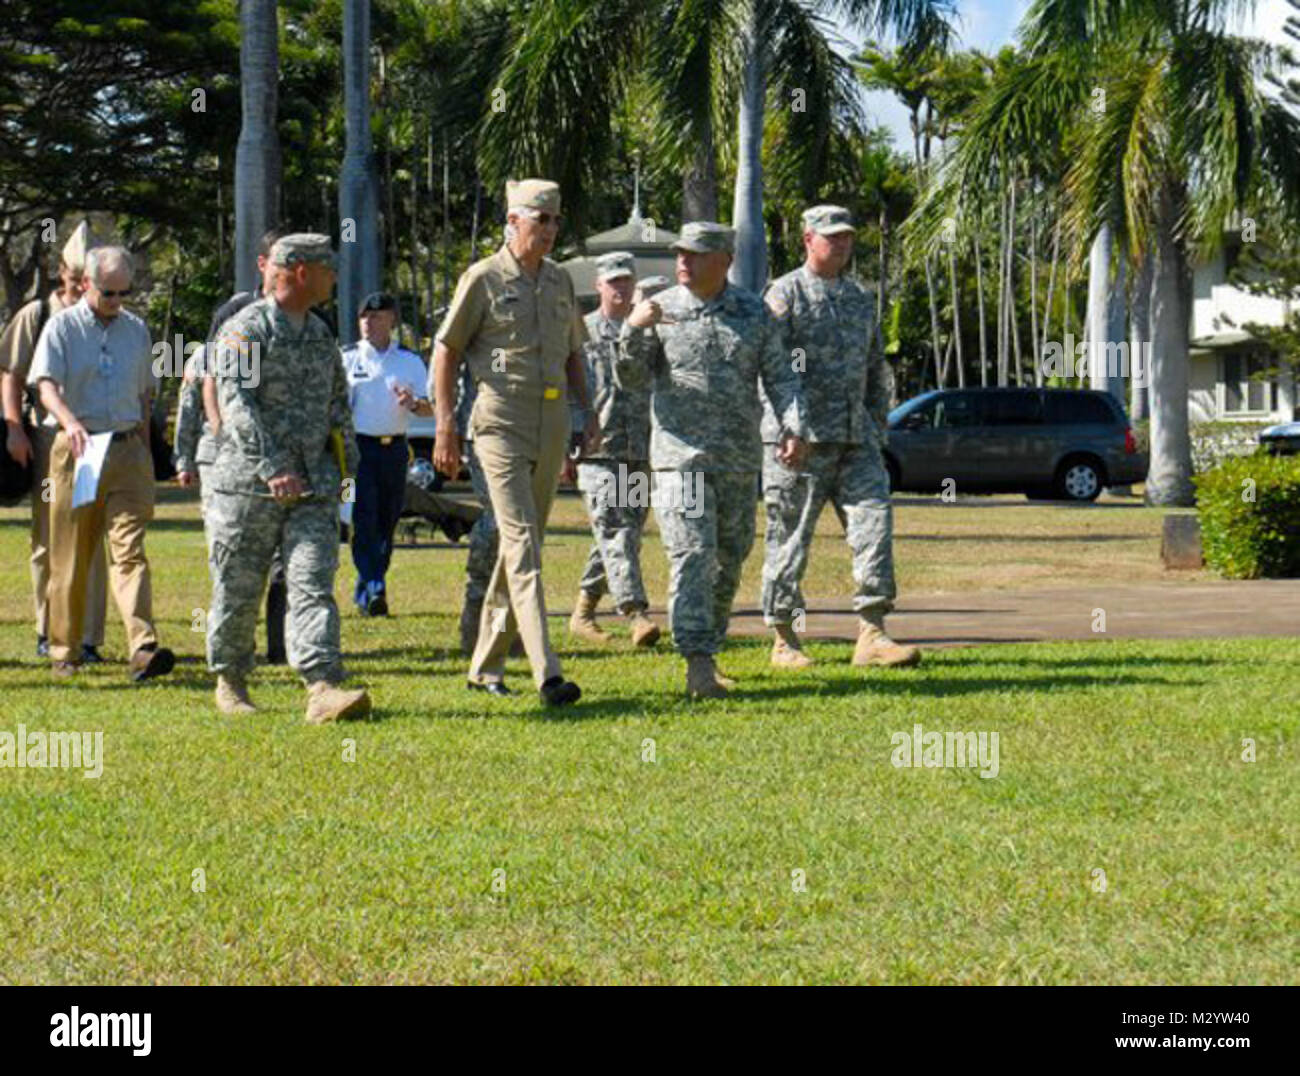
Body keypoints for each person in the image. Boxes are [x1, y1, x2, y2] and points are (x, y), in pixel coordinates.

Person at [617, 222, 807, 698]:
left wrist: (794, 424)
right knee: (693, 554)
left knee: (730, 555)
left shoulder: (753, 312)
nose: (684, 261)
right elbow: (631, 380)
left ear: (723, 259)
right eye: (680, 253)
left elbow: (780, 377)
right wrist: (633, 331)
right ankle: (696, 661)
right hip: (680, 461)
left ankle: (711, 648)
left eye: (696, 255)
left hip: (738, 459)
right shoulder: (659, 311)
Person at [431, 178, 598, 705]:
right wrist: (444, 425)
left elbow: (575, 351)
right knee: (523, 542)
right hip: (499, 419)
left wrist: (585, 411)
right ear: (512, 221)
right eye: (538, 219)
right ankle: (548, 673)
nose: (548, 230)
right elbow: (446, 351)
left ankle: (484, 666)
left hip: (550, 419)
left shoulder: (559, 282)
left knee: (520, 547)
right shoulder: (482, 278)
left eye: (554, 221)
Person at [205, 233, 371, 723]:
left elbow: (338, 401)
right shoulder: (246, 330)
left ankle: (322, 685)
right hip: (248, 486)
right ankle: (231, 680)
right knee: (239, 585)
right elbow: (236, 402)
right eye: (329, 269)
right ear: (301, 271)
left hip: (314, 484)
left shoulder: (319, 332)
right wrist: (272, 464)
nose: (335, 277)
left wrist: (347, 465)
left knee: (313, 580)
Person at [761, 206, 920, 669]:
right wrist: (789, 428)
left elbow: (874, 365)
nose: (843, 244)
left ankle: (872, 632)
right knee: (789, 540)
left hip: (856, 440)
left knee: (875, 527)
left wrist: (877, 420)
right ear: (808, 239)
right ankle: (784, 639)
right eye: (832, 237)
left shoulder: (857, 297)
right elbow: (771, 370)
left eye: (848, 237)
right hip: (801, 445)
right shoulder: (783, 294)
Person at [27, 244, 175, 680]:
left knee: (130, 550)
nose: (116, 302)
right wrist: (68, 422)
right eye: (108, 293)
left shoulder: (137, 331)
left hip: (128, 449)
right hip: (80, 449)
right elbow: (46, 386)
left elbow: (145, 395)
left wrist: (147, 450)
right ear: (87, 283)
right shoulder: (61, 328)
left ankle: (143, 647)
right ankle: (64, 652)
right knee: (72, 556)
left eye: (124, 293)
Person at [0, 222, 110, 662]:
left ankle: (87, 635)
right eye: (75, 274)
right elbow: (10, 374)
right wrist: (13, 427)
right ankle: (49, 629)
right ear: (63, 270)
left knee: (93, 536)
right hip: (48, 437)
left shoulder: (105, 314)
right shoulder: (37, 314)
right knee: (49, 535)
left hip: (100, 439)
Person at [205, 225, 291, 664]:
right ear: (262, 264)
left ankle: (282, 648)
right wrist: (223, 436)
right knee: (237, 560)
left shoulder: (311, 321)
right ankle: (234, 657)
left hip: (290, 461)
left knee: (287, 563)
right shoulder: (237, 313)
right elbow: (211, 380)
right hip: (240, 458)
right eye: (282, 258)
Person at [568, 251, 660, 648]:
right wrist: (564, 445)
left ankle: (583, 610)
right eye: (613, 282)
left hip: (639, 449)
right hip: (597, 450)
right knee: (613, 528)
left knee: (626, 535)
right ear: (598, 286)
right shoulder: (581, 333)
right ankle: (635, 613)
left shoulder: (647, 331)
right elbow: (567, 391)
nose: (621, 288)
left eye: (627, 281)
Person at [342, 291, 433, 615]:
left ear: (392, 320)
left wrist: (413, 403)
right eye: (364, 317)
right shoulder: (349, 358)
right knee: (360, 519)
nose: (368, 323)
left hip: (395, 450)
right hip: (357, 451)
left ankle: (367, 591)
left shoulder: (409, 361)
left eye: (376, 317)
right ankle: (376, 586)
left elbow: (428, 408)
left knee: (386, 521)